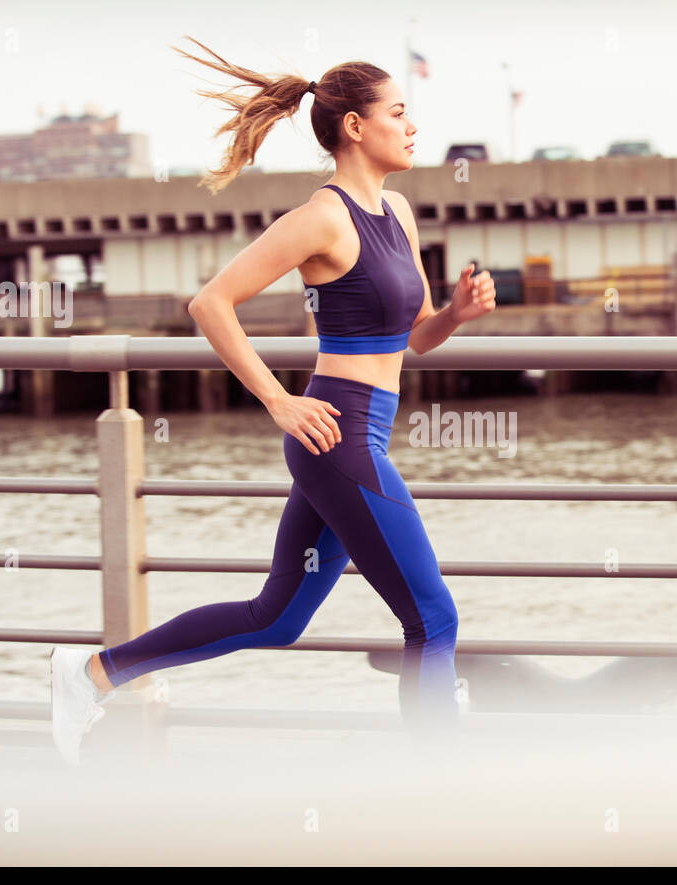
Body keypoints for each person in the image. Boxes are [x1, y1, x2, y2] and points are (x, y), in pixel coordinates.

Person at [49, 37, 497, 765]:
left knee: (279, 616)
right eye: (399, 113)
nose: (412, 127)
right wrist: (279, 401)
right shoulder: (322, 218)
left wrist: (454, 313)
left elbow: (414, 339)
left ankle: (93, 673)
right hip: (333, 431)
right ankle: (441, 784)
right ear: (355, 127)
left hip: (358, 436)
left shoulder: (401, 213)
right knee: (433, 619)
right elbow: (211, 303)